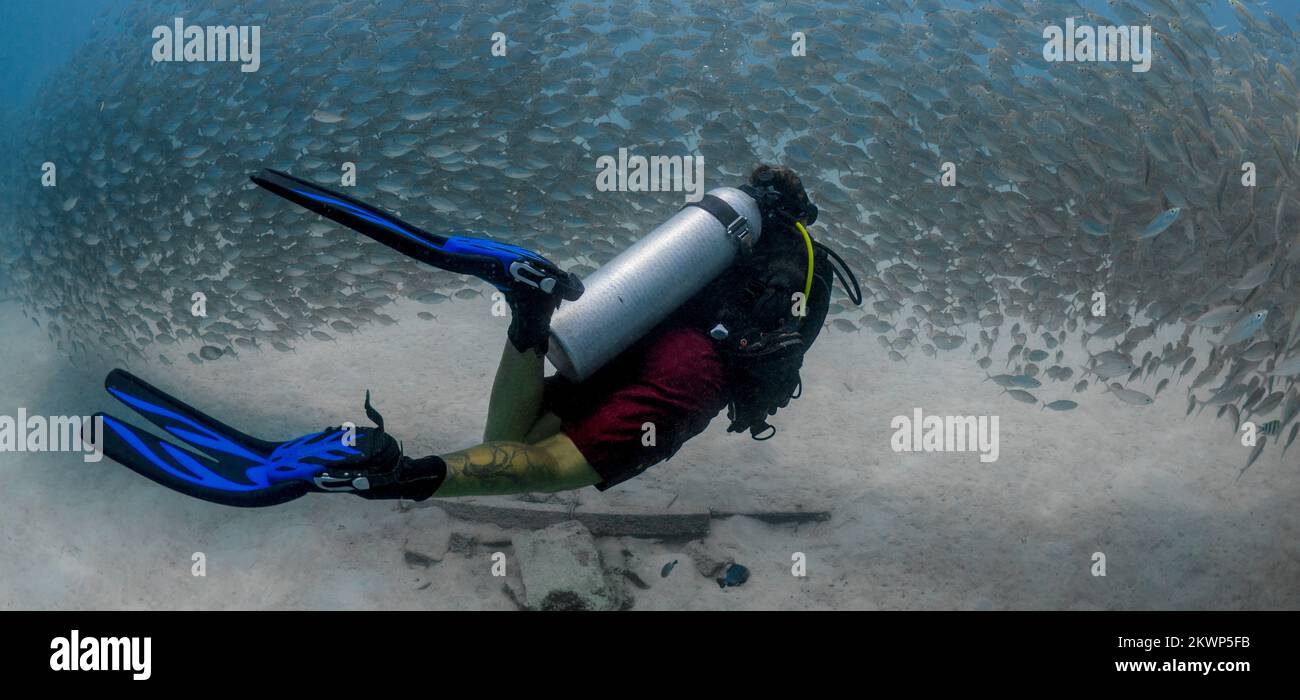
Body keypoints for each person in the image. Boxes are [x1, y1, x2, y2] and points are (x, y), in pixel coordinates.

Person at [96, 165, 855, 507]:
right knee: (539, 469)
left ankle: (528, 308)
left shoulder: (723, 231)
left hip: (631, 339)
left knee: (509, 433)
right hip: (687, 379)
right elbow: (778, 349)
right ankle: (384, 473)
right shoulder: (802, 256)